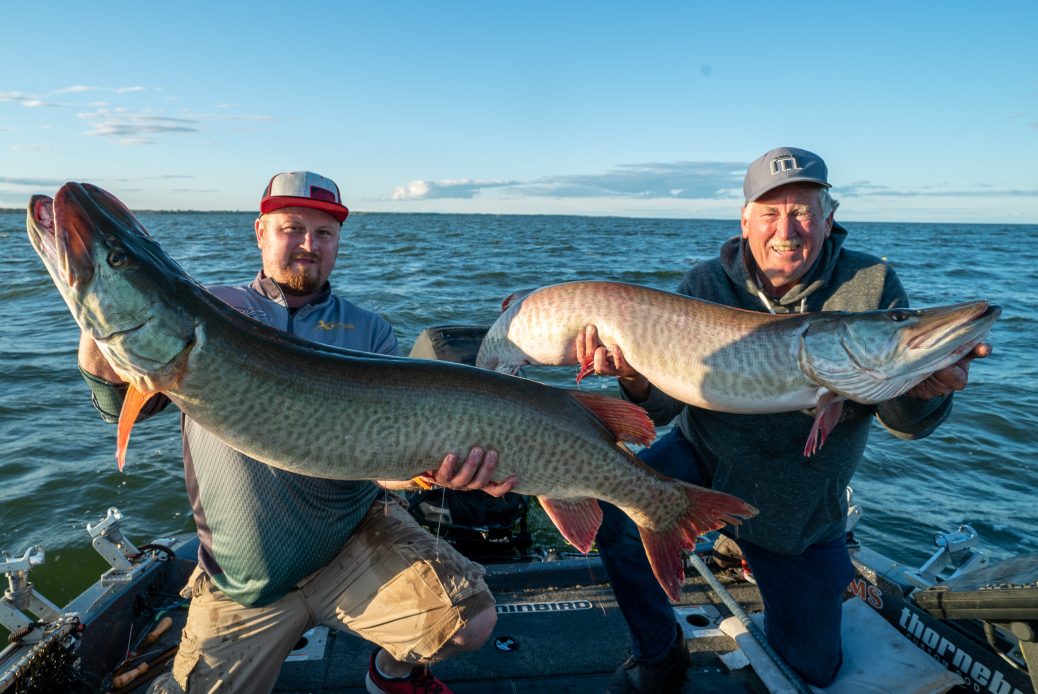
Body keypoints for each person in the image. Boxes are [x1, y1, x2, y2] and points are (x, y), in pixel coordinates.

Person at [77, 171, 517, 694]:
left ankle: (391, 674)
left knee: (472, 621)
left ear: (337, 244)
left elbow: (389, 462)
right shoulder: (210, 311)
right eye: (292, 228)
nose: (309, 244)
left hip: (351, 542)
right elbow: (112, 402)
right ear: (260, 233)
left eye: (324, 233)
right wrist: (97, 313)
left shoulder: (368, 329)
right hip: (243, 576)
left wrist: (428, 473)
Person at [578, 147, 992, 692]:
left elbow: (904, 423)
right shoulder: (705, 283)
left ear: (829, 218)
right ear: (745, 220)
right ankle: (660, 649)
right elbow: (665, 406)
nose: (786, 229)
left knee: (812, 668)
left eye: (803, 211)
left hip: (801, 489)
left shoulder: (870, 285)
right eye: (770, 213)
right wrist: (631, 377)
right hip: (706, 453)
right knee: (613, 513)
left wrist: (926, 390)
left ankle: (761, 564)